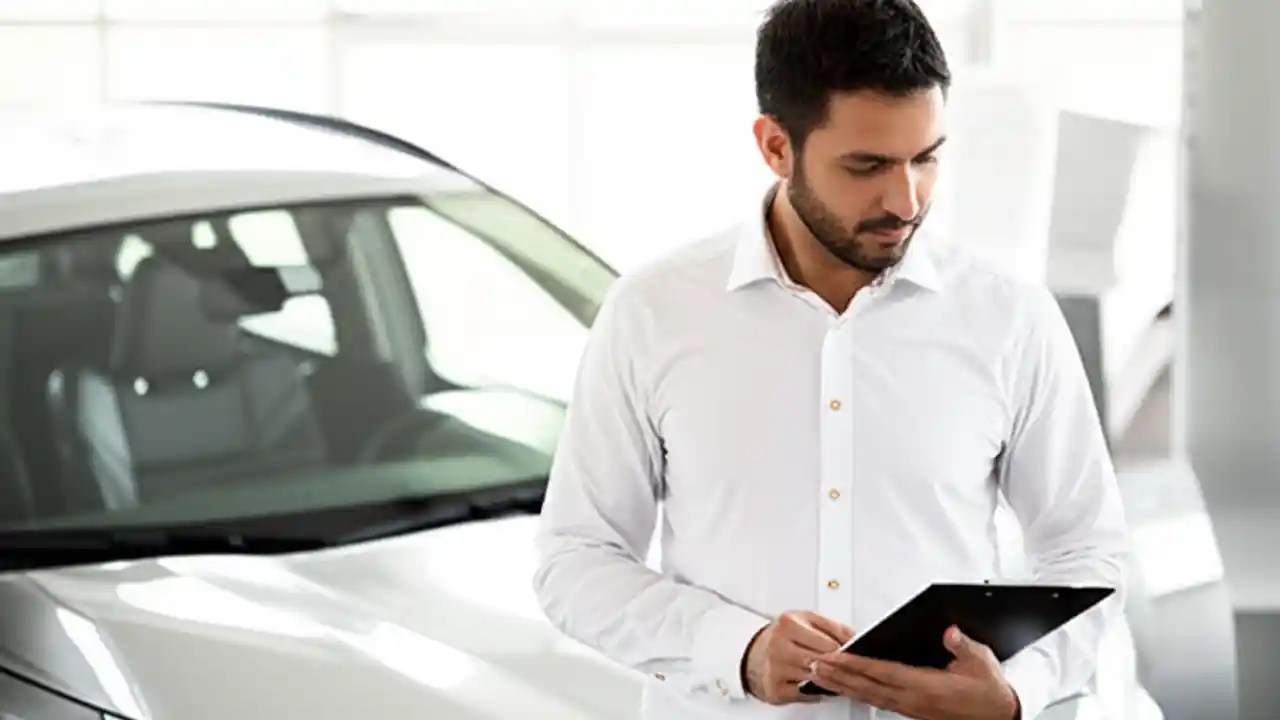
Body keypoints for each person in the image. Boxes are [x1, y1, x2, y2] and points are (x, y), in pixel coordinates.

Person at [533, 0, 1130, 718]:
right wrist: (735, 649)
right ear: (776, 146)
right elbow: (575, 561)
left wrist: (1016, 693)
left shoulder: (1010, 317)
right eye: (866, 165)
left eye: (926, 158)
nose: (905, 200)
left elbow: (1089, 553)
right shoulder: (654, 312)